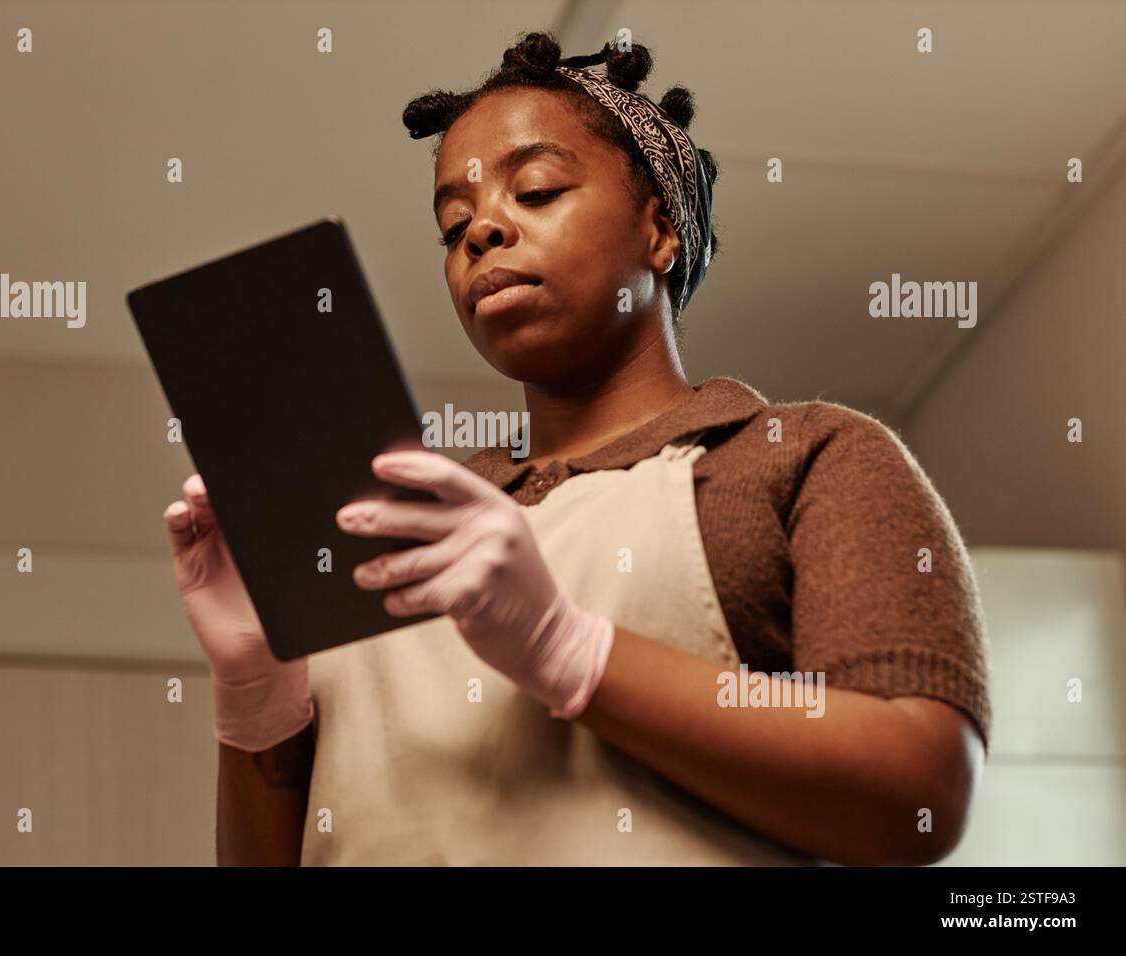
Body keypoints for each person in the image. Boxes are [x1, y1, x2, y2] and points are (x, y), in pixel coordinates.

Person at [162, 32, 989, 866]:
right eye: (453, 226)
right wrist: (255, 702)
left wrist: (568, 650)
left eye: (538, 189)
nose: (482, 229)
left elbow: (921, 791)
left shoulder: (802, 457)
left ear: (661, 230)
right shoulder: (390, 521)